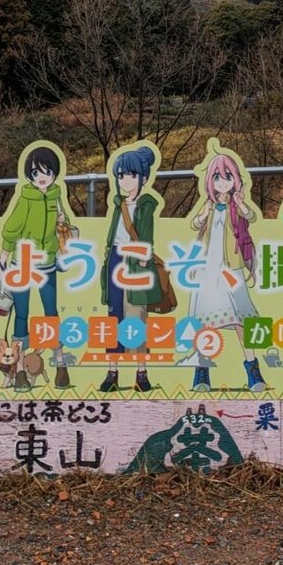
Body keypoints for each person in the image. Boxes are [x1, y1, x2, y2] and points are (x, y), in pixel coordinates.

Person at [187, 148, 266, 393]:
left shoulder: (236, 204)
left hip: (232, 267)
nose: (222, 183)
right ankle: (202, 371)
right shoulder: (209, 204)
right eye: (217, 178)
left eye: (227, 177)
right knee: (206, 322)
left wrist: (241, 204)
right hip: (208, 269)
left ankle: (253, 369)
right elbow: (195, 224)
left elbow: (251, 216)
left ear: (235, 180)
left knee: (242, 317)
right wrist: (203, 215)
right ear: (210, 181)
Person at [0, 144, 77, 388]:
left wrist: (65, 226)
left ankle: (60, 366)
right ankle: (19, 370)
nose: (42, 178)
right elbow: (12, 227)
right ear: (29, 175)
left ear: (54, 174)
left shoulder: (55, 197)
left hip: (48, 264)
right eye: (36, 173)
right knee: (22, 315)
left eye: (47, 172)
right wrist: (4, 253)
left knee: (51, 315)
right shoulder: (26, 198)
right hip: (23, 263)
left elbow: (63, 222)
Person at [99, 144, 163, 393]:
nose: (125, 180)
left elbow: (146, 237)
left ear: (143, 178)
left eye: (131, 175)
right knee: (114, 318)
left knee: (137, 319)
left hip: (136, 263)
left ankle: (141, 373)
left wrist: (143, 256)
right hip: (115, 259)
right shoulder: (118, 205)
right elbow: (112, 235)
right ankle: (112, 372)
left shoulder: (146, 206)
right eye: (121, 175)